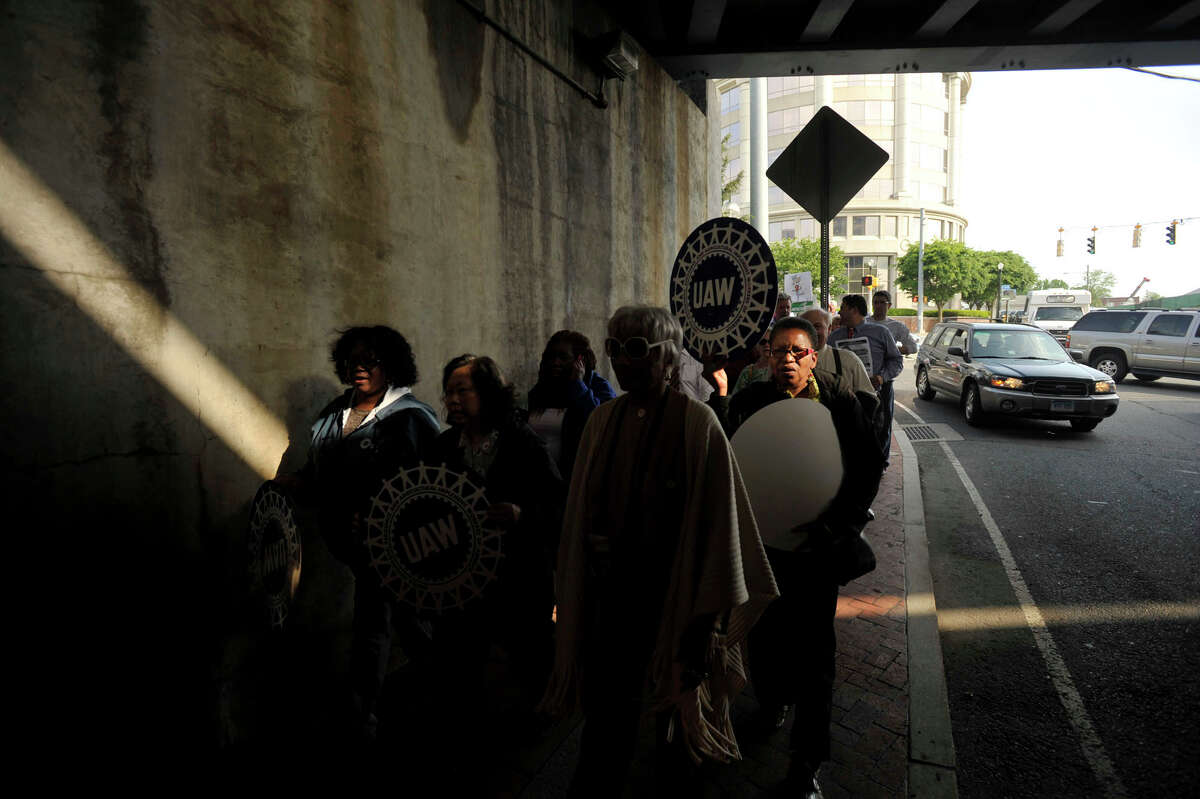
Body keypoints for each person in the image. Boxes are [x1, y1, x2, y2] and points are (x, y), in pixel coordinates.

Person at [541, 306, 777, 797]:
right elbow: (580, 514)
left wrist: (703, 630)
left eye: (636, 350)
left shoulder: (699, 424)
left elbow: (720, 536)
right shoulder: (602, 421)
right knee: (605, 731)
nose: (623, 362)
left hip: (676, 608)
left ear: (669, 359)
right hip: (611, 610)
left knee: (675, 743)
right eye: (615, 349)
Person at [704, 316, 884, 798]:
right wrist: (719, 397)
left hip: (817, 551)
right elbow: (724, 456)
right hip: (763, 549)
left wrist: (838, 523)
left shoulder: (841, 402)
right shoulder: (750, 401)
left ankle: (807, 763)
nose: (787, 360)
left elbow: (868, 465)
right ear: (765, 354)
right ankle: (770, 700)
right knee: (762, 636)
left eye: (797, 352)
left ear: (814, 353)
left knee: (815, 655)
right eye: (777, 350)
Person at [288, 325, 441, 741]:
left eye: (370, 360)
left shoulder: (413, 418)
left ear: (390, 365)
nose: (360, 368)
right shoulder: (335, 411)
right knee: (403, 619)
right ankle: (442, 686)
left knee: (375, 622)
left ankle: (365, 714)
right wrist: (300, 484)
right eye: (353, 360)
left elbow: (436, 486)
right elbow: (320, 469)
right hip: (349, 545)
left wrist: (386, 517)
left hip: (393, 546)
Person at [429, 354, 565, 718]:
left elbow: (557, 508)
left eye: (462, 390)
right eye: (448, 392)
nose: (452, 400)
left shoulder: (524, 444)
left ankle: (537, 719)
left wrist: (523, 515)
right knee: (465, 660)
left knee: (528, 651)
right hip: (464, 579)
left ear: (488, 393)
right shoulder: (442, 450)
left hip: (520, 576)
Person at [526, 330, 616, 480]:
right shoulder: (542, 389)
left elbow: (601, 425)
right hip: (543, 480)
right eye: (552, 357)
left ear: (579, 360)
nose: (556, 362)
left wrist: (579, 386)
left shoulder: (598, 387)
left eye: (563, 357)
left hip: (580, 479)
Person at [828, 294, 903, 468]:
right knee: (850, 428)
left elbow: (896, 360)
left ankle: (879, 465)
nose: (839, 311)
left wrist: (881, 377)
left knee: (881, 427)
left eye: (843, 307)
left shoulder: (881, 332)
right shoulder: (835, 336)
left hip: (878, 389)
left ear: (854, 310)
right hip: (848, 391)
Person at [801, 308, 874, 397]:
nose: (812, 331)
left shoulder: (848, 360)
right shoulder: (789, 362)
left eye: (817, 326)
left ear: (829, 329)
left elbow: (869, 399)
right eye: (807, 327)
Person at [871, 290, 918, 355]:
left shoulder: (897, 326)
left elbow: (913, 347)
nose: (878, 305)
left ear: (889, 305)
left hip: (887, 364)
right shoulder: (863, 323)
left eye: (882, 302)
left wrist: (889, 350)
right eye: (875, 302)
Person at [730, 330, 772, 395]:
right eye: (762, 342)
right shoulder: (748, 371)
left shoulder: (781, 368)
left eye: (770, 341)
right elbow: (736, 397)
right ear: (757, 346)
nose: (766, 345)